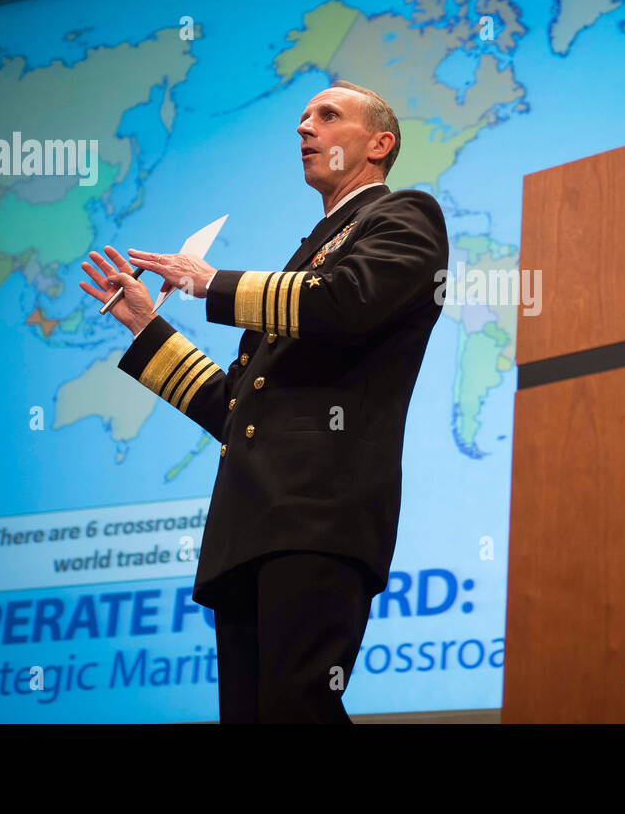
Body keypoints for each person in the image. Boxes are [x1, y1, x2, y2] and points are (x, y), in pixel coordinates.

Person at [79, 81, 449, 722]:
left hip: (317, 517)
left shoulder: (404, 216)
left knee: (297, 710)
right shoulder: (308, 253)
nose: (305, 128)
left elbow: (344, 303)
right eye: (303, 118)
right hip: (249, 529)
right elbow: (234, 410)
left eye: (328, 116)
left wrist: (208, 283)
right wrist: (147, 327)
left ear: (380, 144)